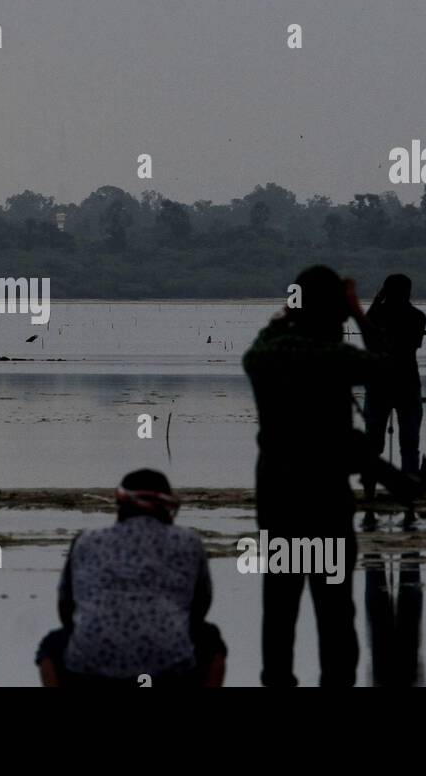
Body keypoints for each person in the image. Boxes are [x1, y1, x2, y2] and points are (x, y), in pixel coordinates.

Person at [243, 265, 404, 686]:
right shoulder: (334, 358)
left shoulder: (264, 355)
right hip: (327, 508)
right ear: (333, 312)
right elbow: (388, 367)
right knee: (335, 616)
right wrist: (358, 313)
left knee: (279, 613)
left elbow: (268, 335)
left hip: (278, 504)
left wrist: (296, 308)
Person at [36, 469, 226, 687]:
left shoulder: (86, 540)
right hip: (170, 667)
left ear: (120, 503)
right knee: (211, 640)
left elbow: (66, 610)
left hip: (89, 666)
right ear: (167, 507)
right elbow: (200, 607)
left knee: (51, 647)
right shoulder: (189, 541)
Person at [361, 274, 426, 500]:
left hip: (378, 384)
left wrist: (377, 301)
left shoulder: (375, 315)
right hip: (407, 383)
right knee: (409, 442)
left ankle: (370, 487)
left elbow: (368, 340)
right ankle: (409, 487)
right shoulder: (418, 317)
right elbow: (412, 346)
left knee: (373, 441)